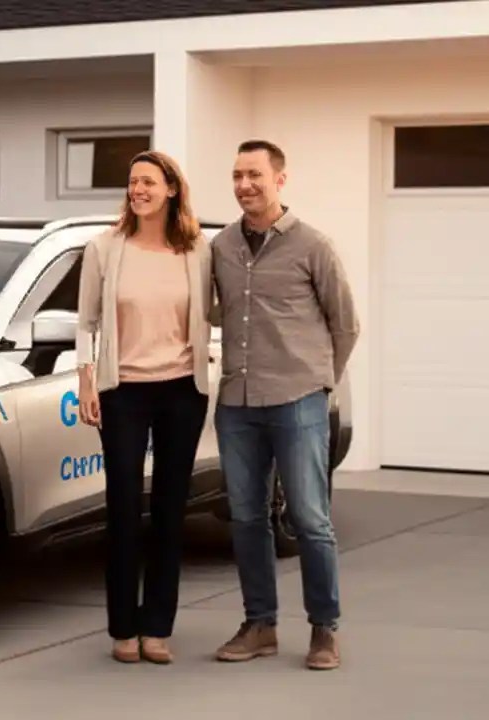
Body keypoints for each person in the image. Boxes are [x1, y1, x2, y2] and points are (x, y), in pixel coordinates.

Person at [209, 139, 360, 671]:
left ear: (280, 179)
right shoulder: (221, 247)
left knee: (310, 519)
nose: (244, 184)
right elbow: (209, 313)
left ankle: (324, 629)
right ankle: (260, 625)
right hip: (237, 403)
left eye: (254, 174)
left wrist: (319, 382)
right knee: (247, 518)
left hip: (298, 401)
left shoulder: (313, 245)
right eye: (236, 175)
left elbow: (346, 323)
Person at [75, 150, 214, 665]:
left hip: (183, 389)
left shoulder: (197, 250)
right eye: (133, 182)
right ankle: (122, 628)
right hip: (123, 391)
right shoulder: (105, 248)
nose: (139, 190)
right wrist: (87, 381)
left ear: (172, 189)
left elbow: (221, 310)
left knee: (171, 511)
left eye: (149, 182)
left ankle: (158, 626)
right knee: (124, 508)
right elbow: (86, 323)